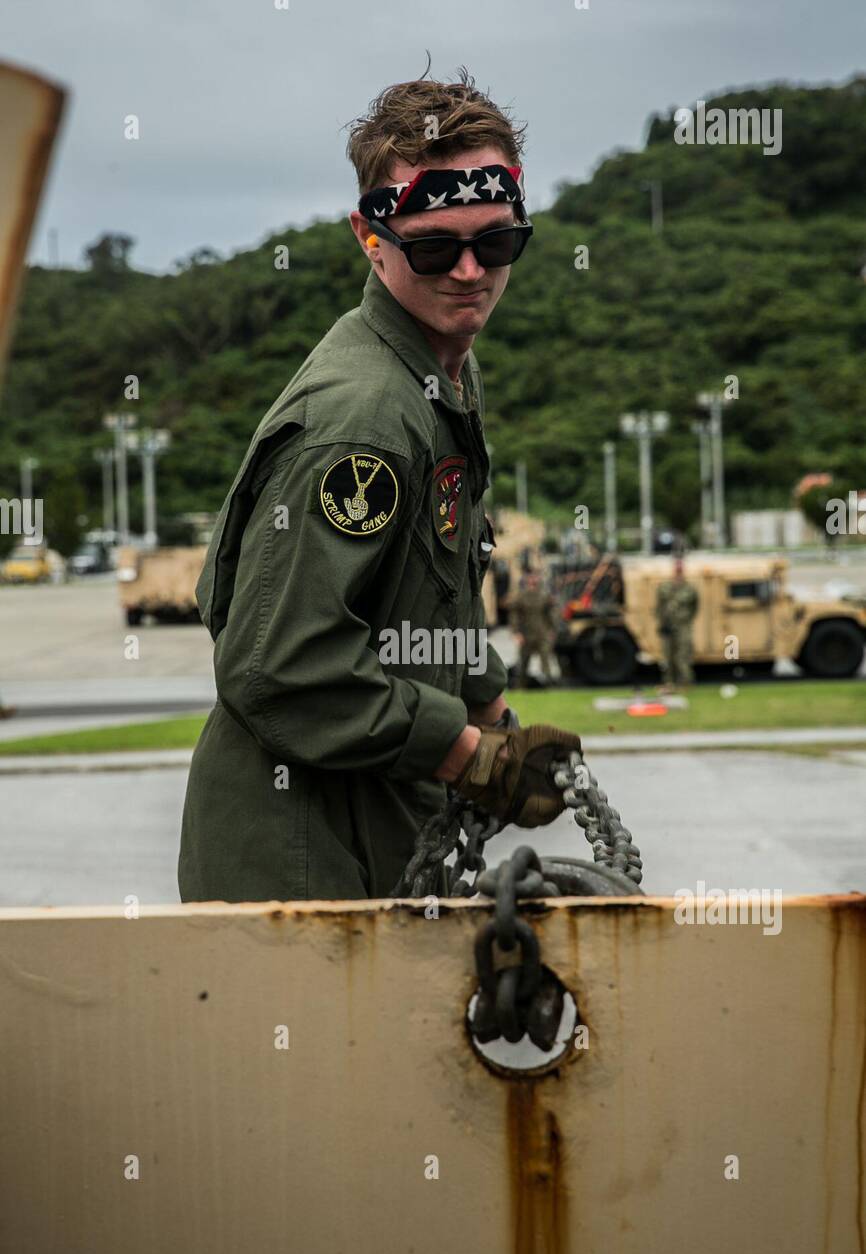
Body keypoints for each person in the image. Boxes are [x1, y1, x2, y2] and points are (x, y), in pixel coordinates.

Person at [178, 68, 581, 903]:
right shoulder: (362, 420)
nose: (470, 270)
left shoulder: (440, 383)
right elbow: (275, 666)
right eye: (435, 247)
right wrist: (469, 754)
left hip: (380, 836)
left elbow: (424, 606)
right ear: (372, 235)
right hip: (303, 870)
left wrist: (490, 703)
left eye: (497, 241)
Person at [655, 556, 699, 690]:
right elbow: (659, 606)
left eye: (680, 569)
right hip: (668, 625)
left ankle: (685, 682)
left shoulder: (690, 588)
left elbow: (695, 607)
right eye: (676, 569)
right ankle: (669, 682)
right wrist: (661, 622)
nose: (678, 571)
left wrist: (686, 619)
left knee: (683, 654)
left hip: (683, 625)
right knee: (667, 655)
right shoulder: (664, 587)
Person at [509, 571, 557, 688]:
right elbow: (514, 616)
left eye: (535, 581)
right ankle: (521, 685)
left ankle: (548, 684)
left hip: (542, 632)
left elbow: (550, 614)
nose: (532, 584)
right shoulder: (520, 597)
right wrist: (516, 632)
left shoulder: (544, 596)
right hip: (526, 632)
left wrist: (552, 630)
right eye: (530, 581)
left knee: (545, 658)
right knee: (524, 660)